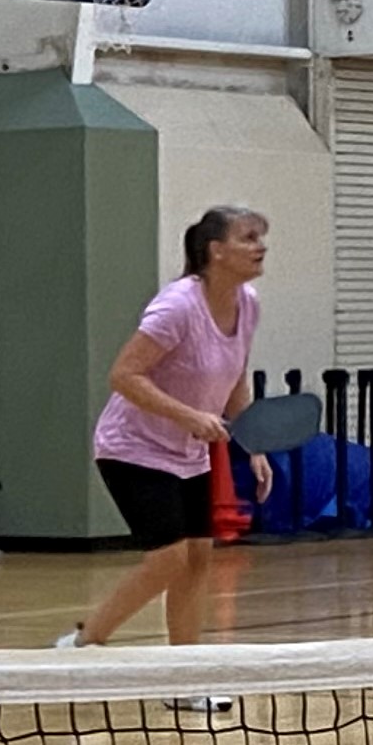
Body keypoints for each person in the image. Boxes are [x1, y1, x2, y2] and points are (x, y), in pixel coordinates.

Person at [59, 205, 271, 700]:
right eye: (248, 237)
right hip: (132, 447)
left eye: (261, 237)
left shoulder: (249, 304)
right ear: (215, 250)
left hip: (189, 452)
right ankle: (85, 642)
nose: (260, 246)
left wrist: (251, 440)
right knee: (169, 558)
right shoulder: (177, 307)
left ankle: (183, 679)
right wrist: (189, 417)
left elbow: (234, 374)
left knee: (199, 559)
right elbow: (124, 375)